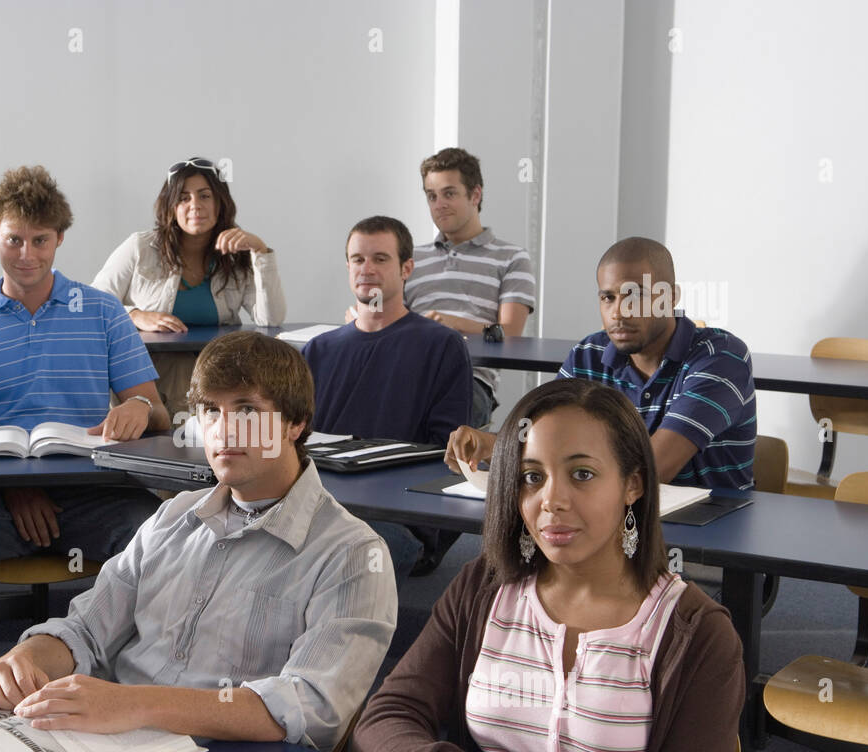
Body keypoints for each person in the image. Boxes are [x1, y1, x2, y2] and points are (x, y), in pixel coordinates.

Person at [352, 378, 744, 752]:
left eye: (581, 474)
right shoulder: (484, 587)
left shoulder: (696, 633)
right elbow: (386, 719)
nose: (551, 501)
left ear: (633, 484)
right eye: (532, 477)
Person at [0, 331, 396, 752]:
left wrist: (136, 705)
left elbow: (308, 705)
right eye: (211, 410)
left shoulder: (354, 554)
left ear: (295, 423)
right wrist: (28, 659)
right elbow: (86, 629)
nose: (224, 430)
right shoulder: (172, 516)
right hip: (110, 745)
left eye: (247, 409)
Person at [0, 165, 170, 664]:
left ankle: (121, 677)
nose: (27, 254)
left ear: (59, 239)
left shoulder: (104, 313)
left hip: (89, 494)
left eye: (40, 240)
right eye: (14, 240)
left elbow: (158, 411)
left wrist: (138, 408)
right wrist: (15, 489)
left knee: (152, 528)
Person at [446, 237, 756, 491]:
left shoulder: (720, 357)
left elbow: (654, 468)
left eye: (634, 295)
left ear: (670, 297)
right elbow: (541, 433)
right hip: (607, 526)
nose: (618, 312)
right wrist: (493, 444)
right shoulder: (589, 354)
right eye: (608, 297)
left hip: (708, 542)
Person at [304, 215, 472, 582]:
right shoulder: (318, 350)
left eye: (380, 259)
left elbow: (446, 453)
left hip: (396, 517)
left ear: (406, 268)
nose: (367, 269)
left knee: (321, 564)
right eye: (358, 259)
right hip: (318, 505)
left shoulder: (441, 346)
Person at [92, 157, 285, 417]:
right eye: (184, 198)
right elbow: (95, 305)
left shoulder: (237, 253)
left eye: (205, 196)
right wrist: (136, 315)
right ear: (171, 207)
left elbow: (270, 319)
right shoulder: (140, 247)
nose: (195, 205)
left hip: (218, 371)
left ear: (220, 203)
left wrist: (260, 252)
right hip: (151, 375)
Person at [401, 147, 536, 428]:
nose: (439, 204)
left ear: (475, 195)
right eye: (431, 196)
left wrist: (452, 323)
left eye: (449, 193)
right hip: (407, 370)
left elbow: (510, 333)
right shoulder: (410, 258)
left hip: (468, 377)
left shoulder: (511, 258)